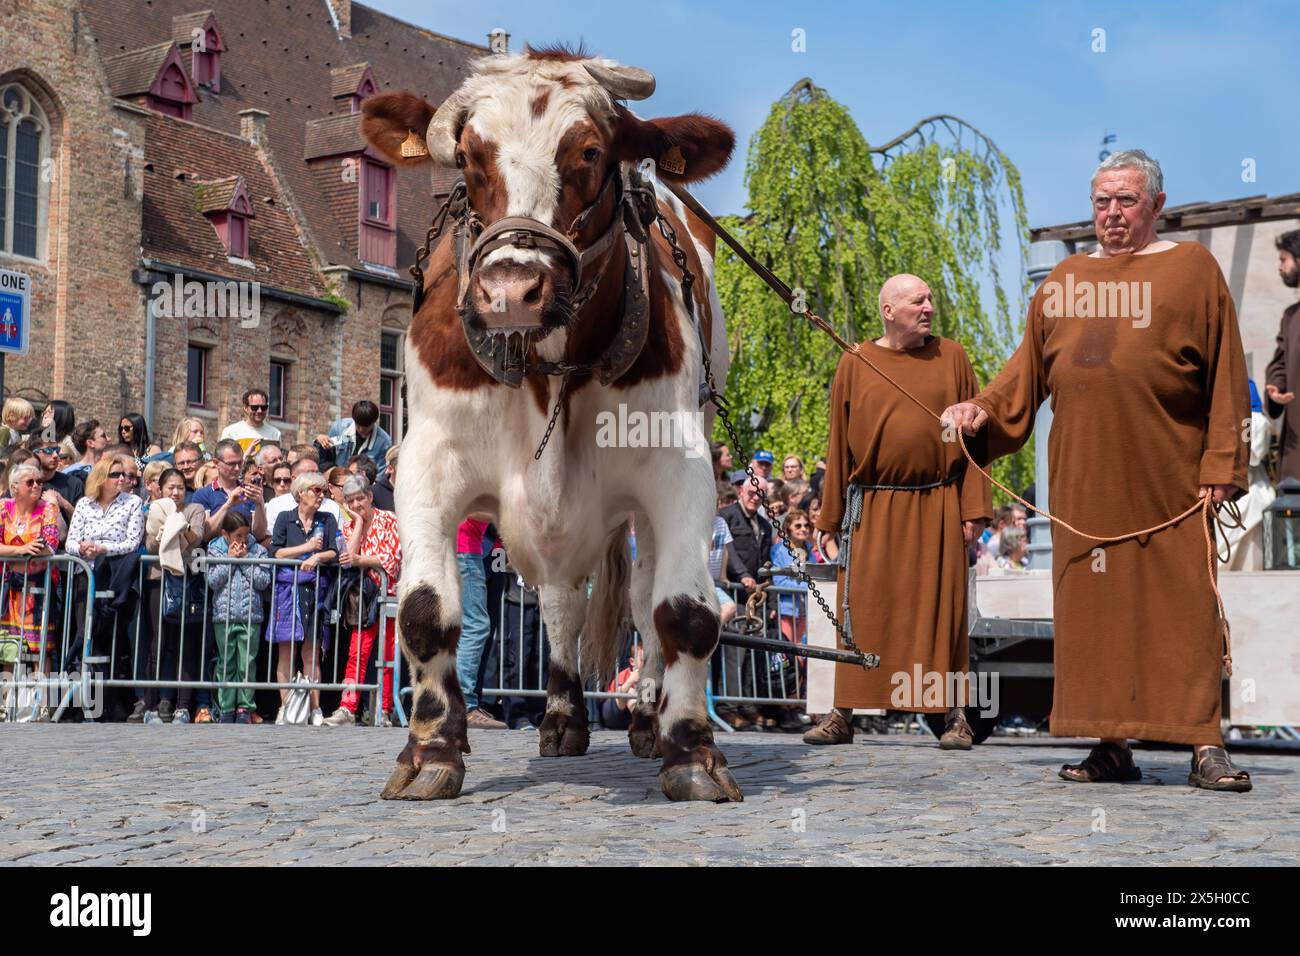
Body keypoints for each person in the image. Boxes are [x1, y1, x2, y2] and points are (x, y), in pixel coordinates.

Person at [943, 150, 1252, 791]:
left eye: (1127, 200)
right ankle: (1110, 745)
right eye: (1102, 200)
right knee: (1095, 619)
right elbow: (1023, 374)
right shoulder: (1063, 281)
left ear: (1156, 206)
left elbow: (1227, 373)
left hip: (1173, 482)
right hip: (1085, 487)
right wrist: (981, 410)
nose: (1113, 213)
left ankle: (1204, 742)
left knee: (1184, 613)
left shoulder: (1194, 270)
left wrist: (1222, 461)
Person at [805, 272, 991, 749]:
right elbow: (838, 444)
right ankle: (843, 713)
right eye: (917, 301)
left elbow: (976, 442)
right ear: (889, 311)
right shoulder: (856, 361)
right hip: (872, 506)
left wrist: (974, 509)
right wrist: (828, 519)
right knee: (860, 612)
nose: (928, 307)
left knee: (943, 612)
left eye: (930, 299)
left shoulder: (953, 358)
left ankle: (955, 717)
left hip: (940, 504)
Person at [322, 475, 402, 727]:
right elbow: (348, 557)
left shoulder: (389, 519)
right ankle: (348, 707)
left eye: (360, 499)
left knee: (387, 655)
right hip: (363, 598)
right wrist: (357, 523)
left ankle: (383, 709)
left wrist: (360, 561)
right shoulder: (347, 526)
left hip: (388, 594)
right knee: (357, 653)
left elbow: (392, 558)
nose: (356, 504)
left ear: (370, 497)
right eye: (351, 501)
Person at [268, 471, 340, 726]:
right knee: (286, 652)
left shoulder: (328, 518)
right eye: (316, 491)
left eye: (323, 491)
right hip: (288, 592)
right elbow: (276, 552)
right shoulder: (285, 519)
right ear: (302, 493)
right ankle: (286, 706)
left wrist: (317, 557)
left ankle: (315, 708)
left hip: (314, 591)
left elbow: (333, 549)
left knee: (311, 654)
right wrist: (307, 549)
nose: (321, 496)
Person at [140, 468, 208, 724]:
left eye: (180, 487)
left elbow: (196, 539)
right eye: (171, 487)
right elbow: (152, 545)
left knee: (186, 644)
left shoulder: (194, 509)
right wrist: (171, 530)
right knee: (158, 643)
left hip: (187, 580)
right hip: (159, 579)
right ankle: (151, 706)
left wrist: (179, 525)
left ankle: (183, 706)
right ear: (161, 488)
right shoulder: (156, 509)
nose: (176, 492)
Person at [0, 462, 65, 721]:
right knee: (6, 646)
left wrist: (12, 549)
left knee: (40, 647)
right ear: (15, 488)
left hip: (38, 586)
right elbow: (30, 548)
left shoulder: (47, 509)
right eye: (31, 482)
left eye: (40, 482)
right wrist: (20, 550)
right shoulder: (3, 509)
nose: (37, 486)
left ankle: (43, 705)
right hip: (8, 587)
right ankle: (5, 703)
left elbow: (49, 545)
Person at [206, 510, 271, 724]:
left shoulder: (258, 551)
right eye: (238, 536)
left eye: (245, 535)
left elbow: (263, 581)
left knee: (247, 663)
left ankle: (245, 706)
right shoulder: (214, 550)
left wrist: (244, 560)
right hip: (223, 615)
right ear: (226, 535)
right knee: (226, 663)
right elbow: (213, 581)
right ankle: (226, 706)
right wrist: (229, 560)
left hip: (251, 615)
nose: (243, 540)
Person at [1265, 228, 1300, 483]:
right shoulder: (1291, 317)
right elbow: (1280, 362)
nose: (1280, 267)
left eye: (1283, 259)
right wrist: (1275, 387)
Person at [191, 439, 268, 544]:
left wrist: (259, 503)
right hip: (216, 557)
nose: (237, 468)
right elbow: (205, 535)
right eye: (231, 464)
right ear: (216, 463)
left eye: (240, 463)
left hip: (246, 556)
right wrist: (228, 505)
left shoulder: (248, 492)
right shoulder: (203, 494)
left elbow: (259, 535)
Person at [316, 400, 393, 482]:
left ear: (374, 422)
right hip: (335, 481)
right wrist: (320, 441)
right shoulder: (338, 428)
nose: (361, 430)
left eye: (366, 427)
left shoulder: (384, 443)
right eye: (358, 425)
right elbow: (326, 458)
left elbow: (379, 478)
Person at [30, 439, 81, 523]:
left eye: (56, 450)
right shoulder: (24, 484)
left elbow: (82, 523)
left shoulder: (74, 484)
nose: (55, 455)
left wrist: (65, 504)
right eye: (48, 450)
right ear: (34, 453)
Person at [220, 388, 282, 457]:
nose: (259, 411)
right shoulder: (231, 432)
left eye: (263, 407)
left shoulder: (275, 434)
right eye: (255, 407)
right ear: (245, 408)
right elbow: (224, 461)